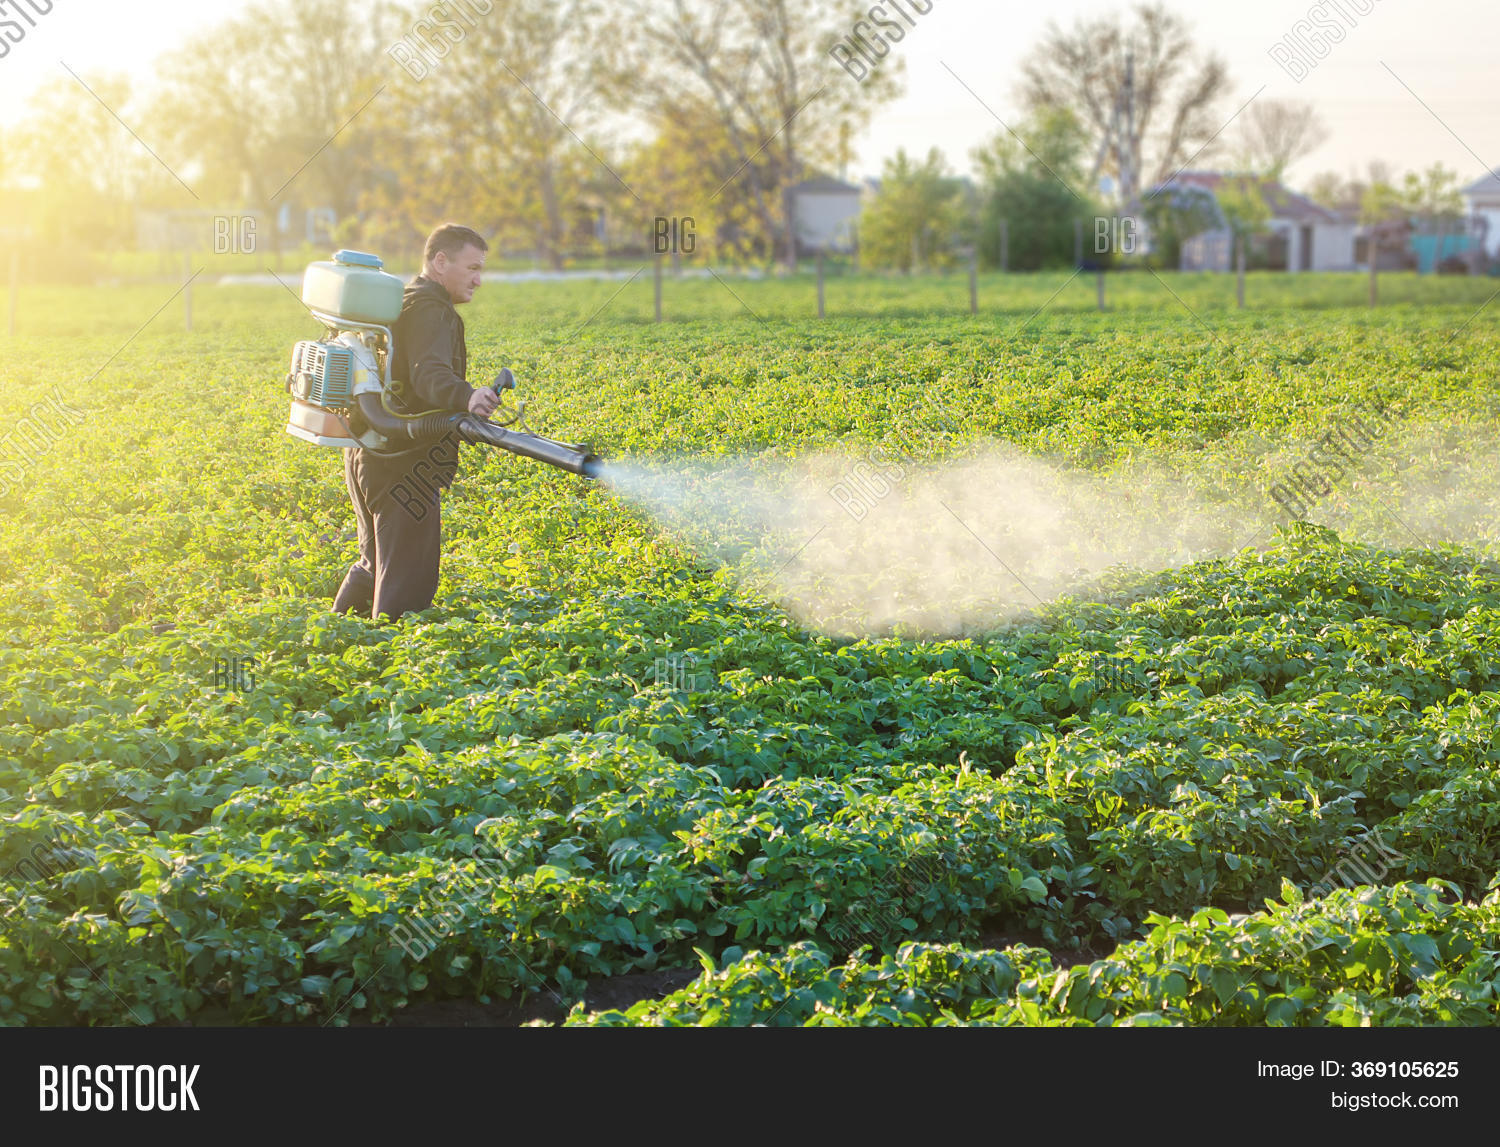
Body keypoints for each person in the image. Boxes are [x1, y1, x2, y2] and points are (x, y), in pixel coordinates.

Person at [332, 223, 501, 620]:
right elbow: (429, 374)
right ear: (440, 261)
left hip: (367, 454)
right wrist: (468, 396)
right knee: (406, 584)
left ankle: (331, 643)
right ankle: (383, 668)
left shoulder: (403, 300)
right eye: (472, 267)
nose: (478, 280)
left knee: (374, 565)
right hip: (405, 467)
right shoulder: (432, 309)